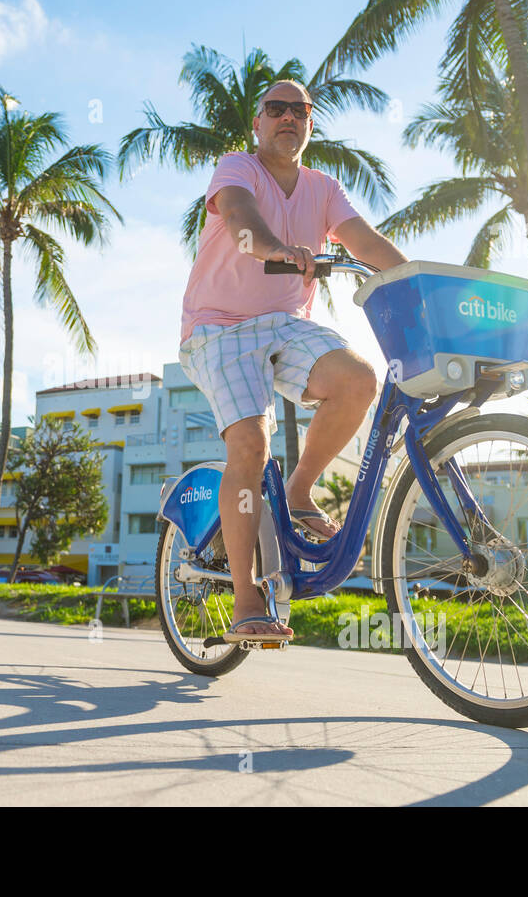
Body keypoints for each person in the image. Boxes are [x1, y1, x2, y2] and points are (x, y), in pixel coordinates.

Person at [178, 79, 410, 643]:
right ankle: (244, 596)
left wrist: (417, 281)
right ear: (257, 123)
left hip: (285, 325)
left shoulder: (323, 188)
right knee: (251, 446)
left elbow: (367, 243)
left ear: (310, 125)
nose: (288, 117)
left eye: (299, 110)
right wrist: (274, 248)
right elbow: (241, 223)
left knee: (359, 381)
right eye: (275, 108)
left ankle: (301, 491)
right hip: (220, 330)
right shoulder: (238, 167)